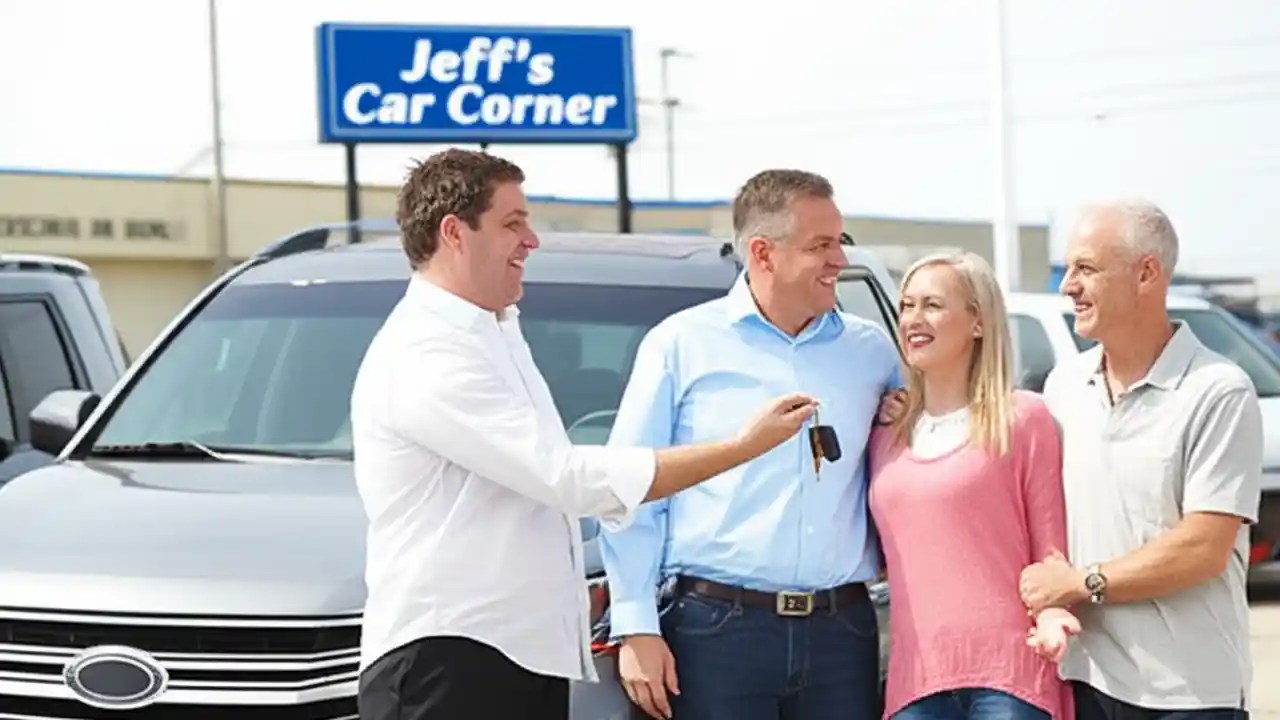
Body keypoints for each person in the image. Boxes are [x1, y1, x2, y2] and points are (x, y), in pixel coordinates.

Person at [349, 148, 820, 720]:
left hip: (511, 659)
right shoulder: (427, 352)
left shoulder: (493, 329)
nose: (531, 241)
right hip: (449, 662)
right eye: (512, 223)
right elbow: (568, 479)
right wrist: (743, 448)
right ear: (454, 232)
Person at [598, 168, 902, 720]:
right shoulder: (680, 344)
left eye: (841, 242)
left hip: (844, 634)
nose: (839, 260)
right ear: (763, 252)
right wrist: (636, 623)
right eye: (821, 246)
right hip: (715, 636)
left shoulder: (874, 352)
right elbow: (631, 487)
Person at [1017, 199, 1263, 720]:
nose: (1068, 286)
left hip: (1190, 692)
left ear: (1146, 273)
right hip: (1087, 680)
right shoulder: (1065, 386)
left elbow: (1204, 546)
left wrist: (1083, 584)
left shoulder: (1217, 391)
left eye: (1086, 268)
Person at [866, 251, 1078, 720]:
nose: (913, 319)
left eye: (933, 305)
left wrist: (1052, 615)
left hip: (1010, 677)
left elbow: (1050, 548)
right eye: (906, 305)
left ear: (978, 322)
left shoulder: (1022, 419)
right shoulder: (886, 433)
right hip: (914, 682)